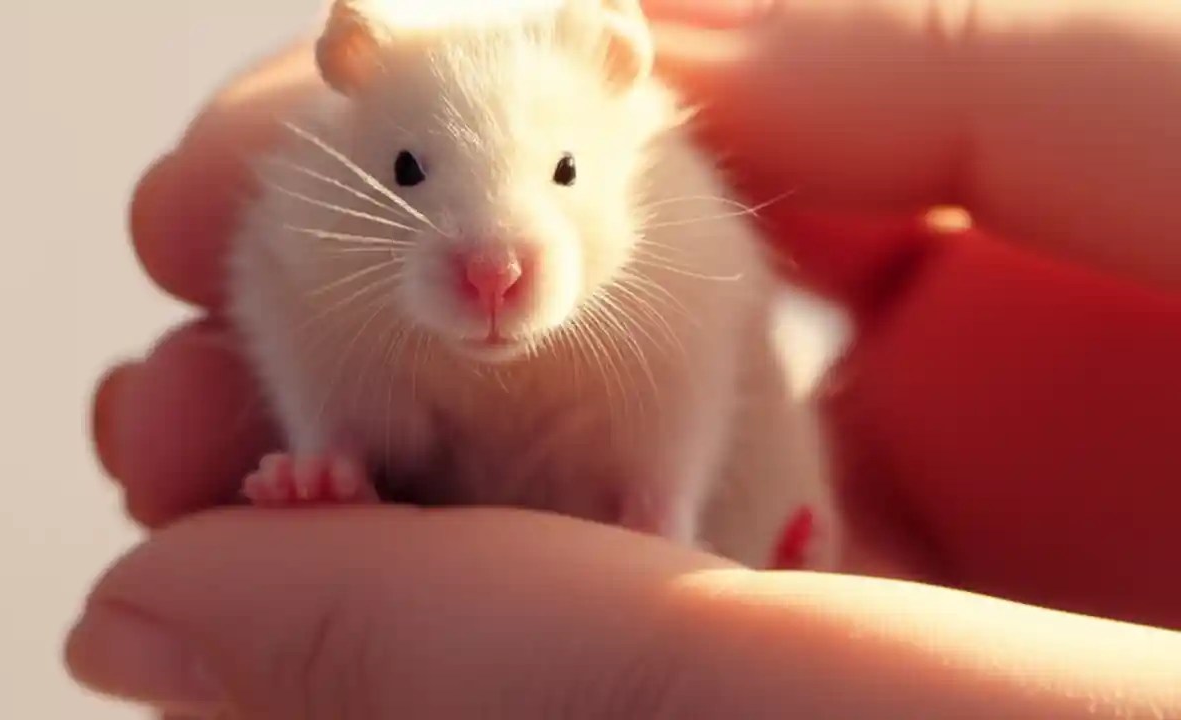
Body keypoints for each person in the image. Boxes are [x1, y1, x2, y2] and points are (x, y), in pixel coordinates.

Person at [66, 0, 1181, 717]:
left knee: (748, 464)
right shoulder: (307, 208)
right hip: (445, 517)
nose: (491, 266)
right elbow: (282, 306)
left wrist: (663, 500)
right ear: (353, 82)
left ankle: (754, 540)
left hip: (675, 510)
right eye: (411, 171)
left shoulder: (676, 212)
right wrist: (332, 450)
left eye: (561, 175)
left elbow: (702, 362)